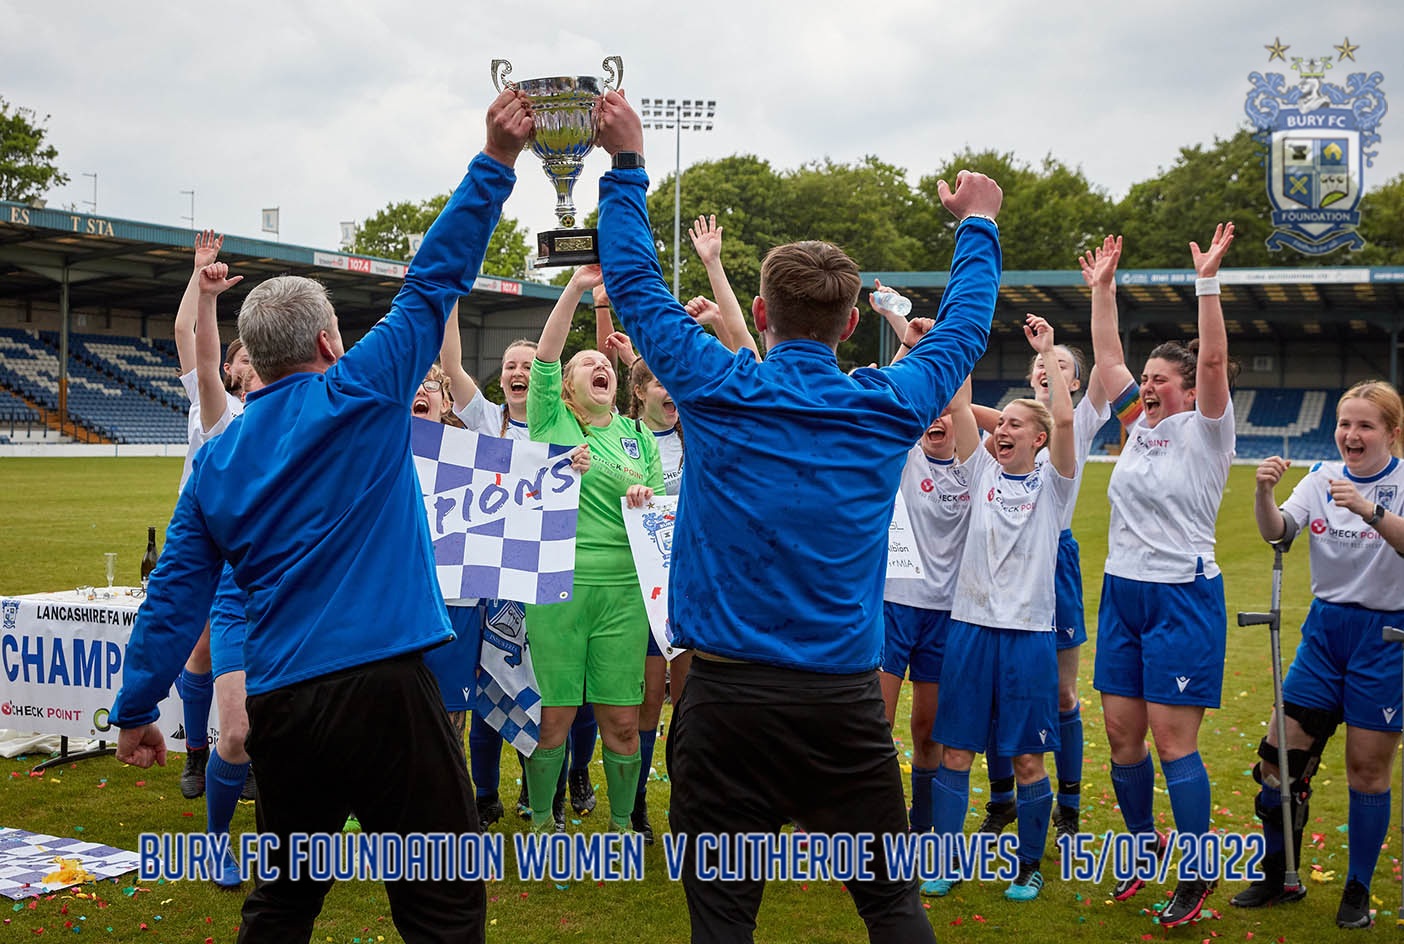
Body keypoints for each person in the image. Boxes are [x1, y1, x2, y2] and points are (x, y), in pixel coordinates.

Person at [108, 88, 535, 944]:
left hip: (285, 703)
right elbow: (435, 278)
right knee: (441, 899)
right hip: (387, 690)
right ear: (331, 342)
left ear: (253, 360)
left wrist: (135, 706)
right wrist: (494, 161)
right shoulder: (363, 389)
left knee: (286, 899)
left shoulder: (215, 460)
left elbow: (176, 595)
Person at [595, 88, 1001, 943]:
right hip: (841, 705)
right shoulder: (888, 401)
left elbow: (632, 285)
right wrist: (978, 225)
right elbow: (962, 331)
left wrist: (627, 168)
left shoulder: (717, 384)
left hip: (726, 700)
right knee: (891, 904)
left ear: (761, 316)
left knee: (723, 920)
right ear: (854, 324)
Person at [1086, 227, 1237, 928]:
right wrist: (1103, 289)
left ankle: (1198, 871)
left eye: (1158, 380)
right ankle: (1144, 848)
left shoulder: (1207, 432)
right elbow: (1108, 355)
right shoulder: (1136, 428)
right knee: (1123, 738)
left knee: (1175, 742)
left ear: (1183, 391)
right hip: (1123, 592)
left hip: (1182, 595)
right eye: (1144, 380)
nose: (1146, 385)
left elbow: (1212, 359)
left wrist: (1206, 282)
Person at [1234, 381, 1404, 929]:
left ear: (1392, 434)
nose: (1351, 436)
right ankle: (1281, 875)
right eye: (1344, 424)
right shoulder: (1317, 479)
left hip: (1385, 638)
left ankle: (1356, 888)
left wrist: (1371, 511)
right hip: (1325, 635)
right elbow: (1277, 533)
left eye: (1365, 426)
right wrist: (1264, 494)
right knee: (1277, 759)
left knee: (1366, 770)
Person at [926, 314, 1077, 903]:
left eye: (1015, 424)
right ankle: (944, 861)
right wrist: (952, 334)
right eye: (1001, 424)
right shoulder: (982, 467)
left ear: (1037, 438)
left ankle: (1028, 865)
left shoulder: (1054, 485)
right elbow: (961, 405)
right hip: (969, 628)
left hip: (1026, 636)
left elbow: (1064, 417)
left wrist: (1047, 350)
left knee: (1028, 759)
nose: (1002, 431)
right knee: (957, 751)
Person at [521, 262, 663, 835]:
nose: (600, 367)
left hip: (624, 591)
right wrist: (576, 290)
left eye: (605, 363)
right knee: (554, 717)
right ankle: (540, 826)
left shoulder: (639, 437)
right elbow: (545, 357)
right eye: (589, 365)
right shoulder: (551, 419)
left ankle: (625, 824)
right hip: (556, 585)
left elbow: (658, 508)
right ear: (569, 386)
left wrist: (641, 495)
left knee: (622, 722)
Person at [963, 310, 1109, 842]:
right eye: (1043, 366)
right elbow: (971, 411)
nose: (1050, 371)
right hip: (999, 564)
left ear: (1075, 381)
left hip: (1053, 559)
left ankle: (1066, 805)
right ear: (1031, 379)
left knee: (1062, 695)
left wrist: (1050, 348)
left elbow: (1063, 420)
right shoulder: (1010, 425)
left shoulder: (1083, 415)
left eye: (1064, 366)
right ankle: (1003, 800)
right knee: (999, 692)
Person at [874, 345, 979, 837]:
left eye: (946, 411)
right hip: (894, 605)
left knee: (927, 731)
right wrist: (908, 346)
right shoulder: (905, 456)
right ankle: (877, 824)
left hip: (946, 614)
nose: (936, 419)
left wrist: (954, 365)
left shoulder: (975, 470)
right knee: (878, 724)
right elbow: (896, 391)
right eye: (928, 412)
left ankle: (924, 822)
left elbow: (966, 403)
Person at [169, 229, 245, 801]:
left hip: (247, 542)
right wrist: (200, 275)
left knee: (248, 650)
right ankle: (197, 754)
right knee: (198, 648)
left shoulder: (267, 410)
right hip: (202, 538)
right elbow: (184, 333)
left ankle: (244, 753)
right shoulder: (208, 398)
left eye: (248, 356)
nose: (241, 363)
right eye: (235, 355)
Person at [625, 355, 688, 841]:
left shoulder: (699, 436)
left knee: (690, 708)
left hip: (692, 590)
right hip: (643, 592)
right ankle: (639, 805)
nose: (671, 393)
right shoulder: (625, 440)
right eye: (659, 383)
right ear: (640, 390)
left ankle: (686, 808)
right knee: (648, 703)